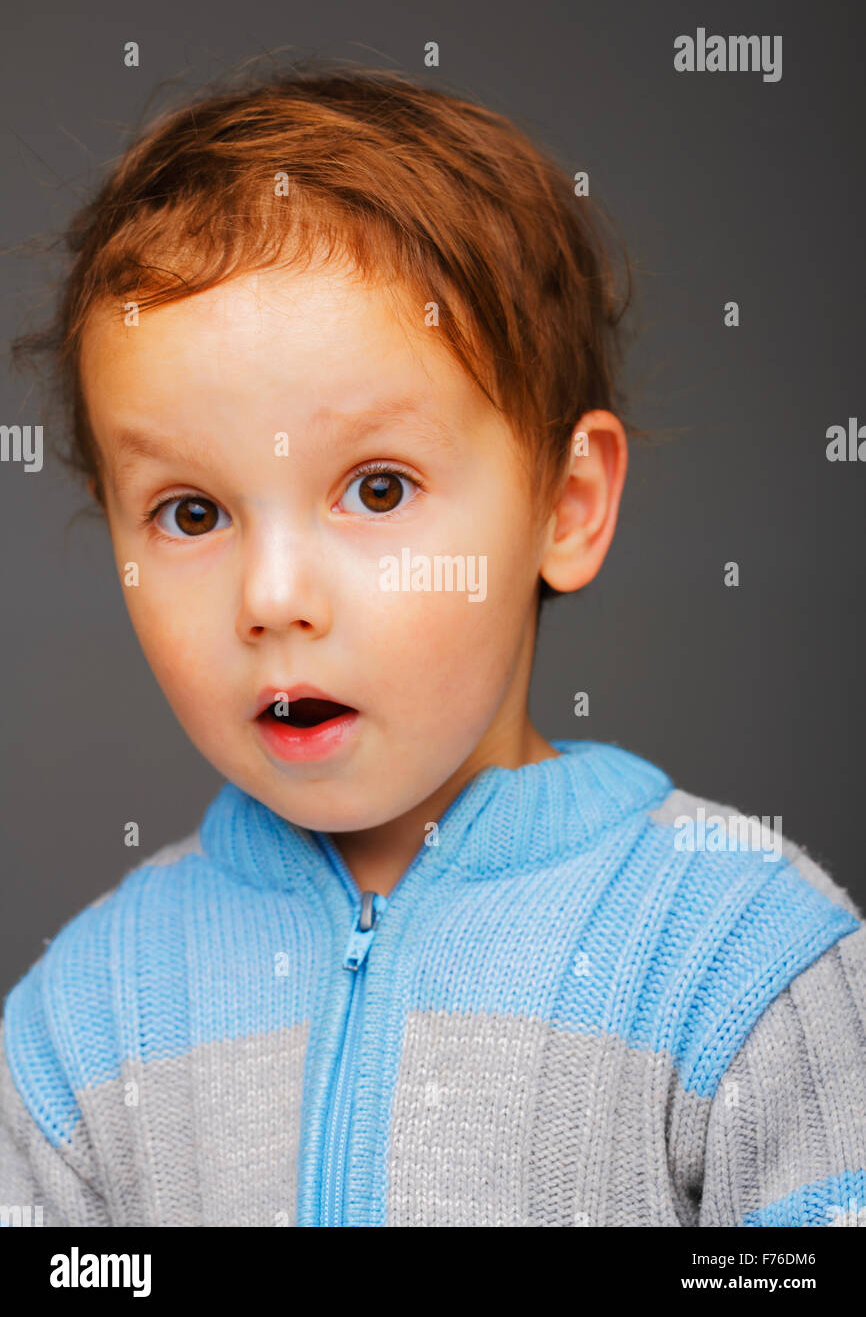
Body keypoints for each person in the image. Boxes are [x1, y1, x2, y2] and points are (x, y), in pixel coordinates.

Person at [1, 62, 863, 1227]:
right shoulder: (82, 1023)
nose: (273, 596)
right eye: (192, 512)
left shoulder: (742, 955)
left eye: (374, 487)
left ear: (563, 506)